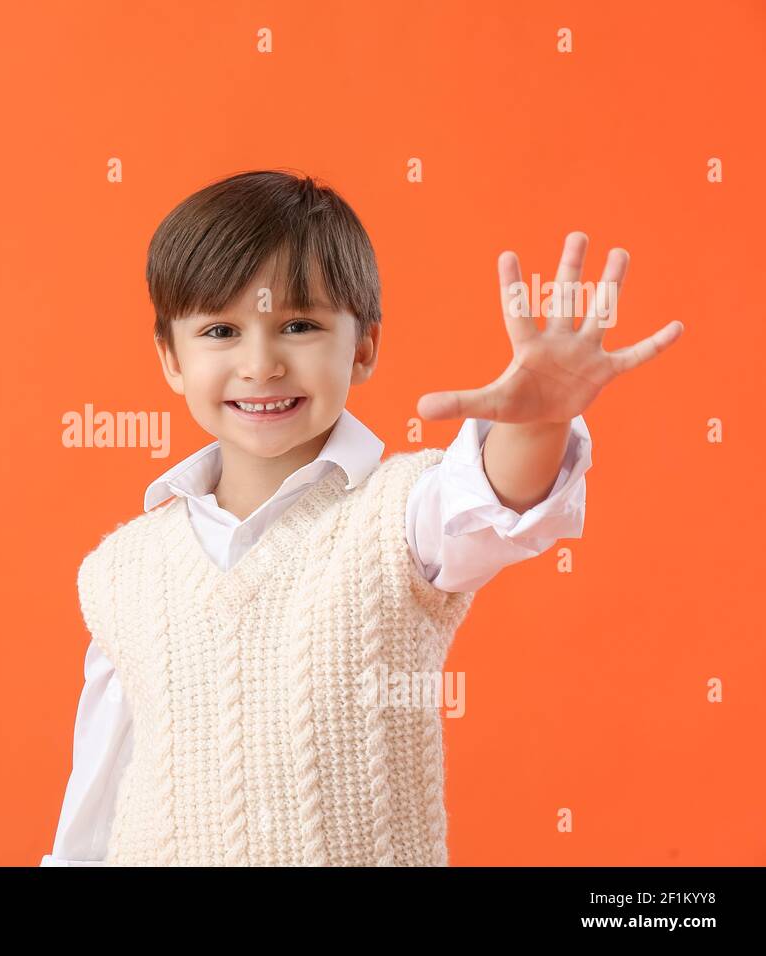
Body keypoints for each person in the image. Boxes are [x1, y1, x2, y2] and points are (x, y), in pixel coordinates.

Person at [42, 169, 682, 866]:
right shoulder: (120, 570)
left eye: (299, 325)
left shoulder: (401, 514)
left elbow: (496, 501)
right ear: (171, 356)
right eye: (221, 330)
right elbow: (96, 804)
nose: (260, 365)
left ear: (364, 346)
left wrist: (540, 423)